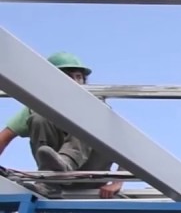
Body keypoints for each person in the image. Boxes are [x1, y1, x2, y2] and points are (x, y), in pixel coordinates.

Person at [0, 52, 121, 199]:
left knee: (89, 116)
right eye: (68, 76)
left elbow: (124, 144)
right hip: (55, 180)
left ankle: (64, 163)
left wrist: (118, 182)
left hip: (89, 177)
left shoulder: (96, 107)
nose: (75, 82)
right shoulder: (37, 106)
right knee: (39, 117)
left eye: (78, 77)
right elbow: (4, 138)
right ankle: (50, 179)